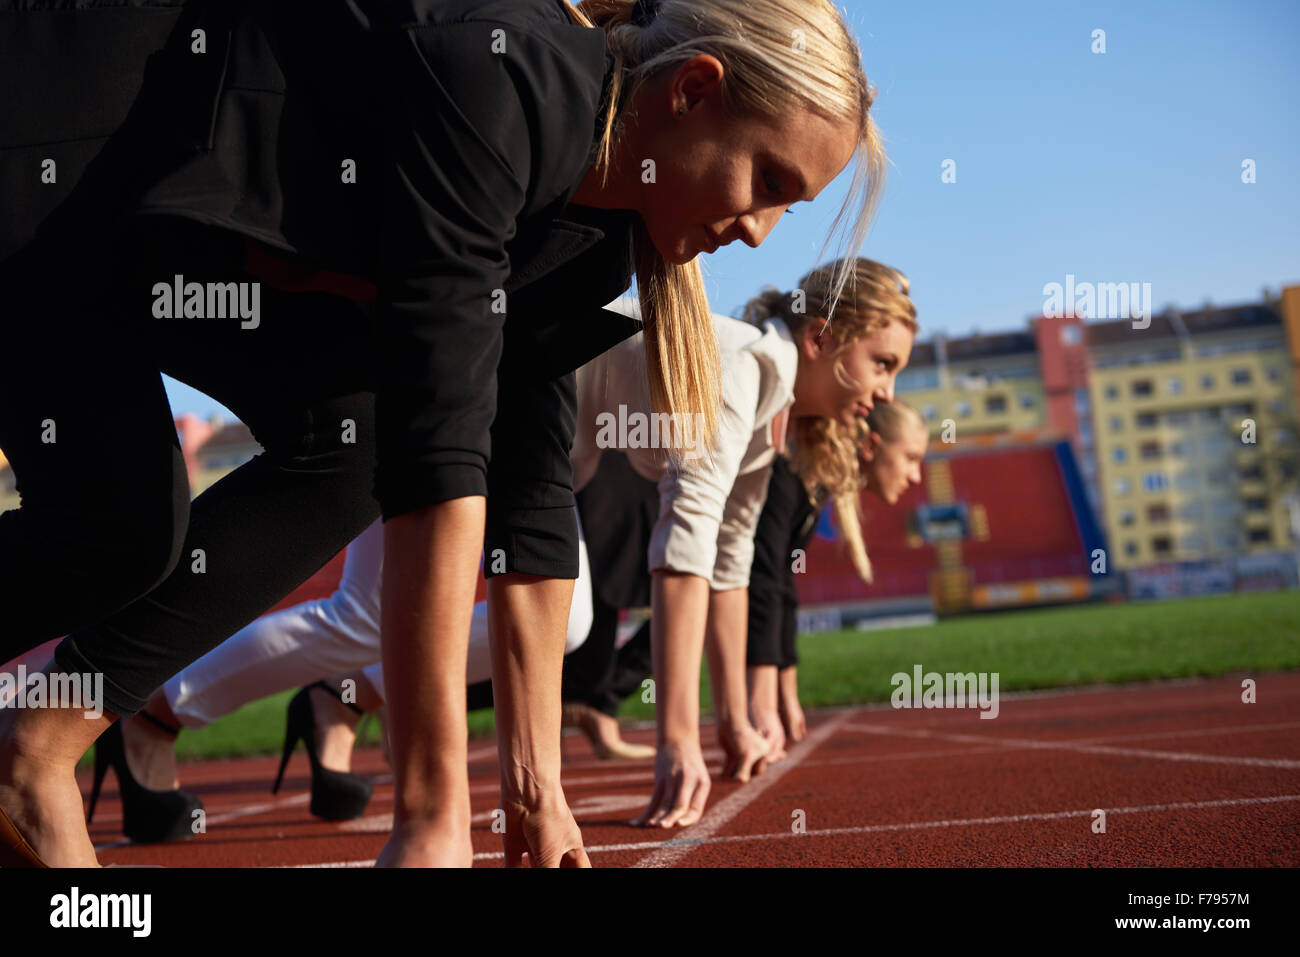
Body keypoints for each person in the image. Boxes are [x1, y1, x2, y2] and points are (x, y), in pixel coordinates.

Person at [0, 0, 885, 868]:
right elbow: (442, 449)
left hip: (165, 236)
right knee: (122, 527)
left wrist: (537, 790)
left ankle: (35, 742)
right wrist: (432, 820)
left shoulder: (591, 237)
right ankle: (36, 749)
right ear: (694, 89)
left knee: (341, 450)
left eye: (790, 208)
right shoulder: (502, 81)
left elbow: (530, 495)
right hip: (52, 143)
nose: (761, 234)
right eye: (768, 181)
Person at [747, 399, 928, 759]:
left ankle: (604, 696)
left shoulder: (816, 481)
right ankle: (605, 695)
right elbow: (762, 580)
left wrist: (787, 692)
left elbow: (781, 583)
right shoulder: (792, 469)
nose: (916, 475)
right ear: (872, 446)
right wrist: (761, 707)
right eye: (910, 458)